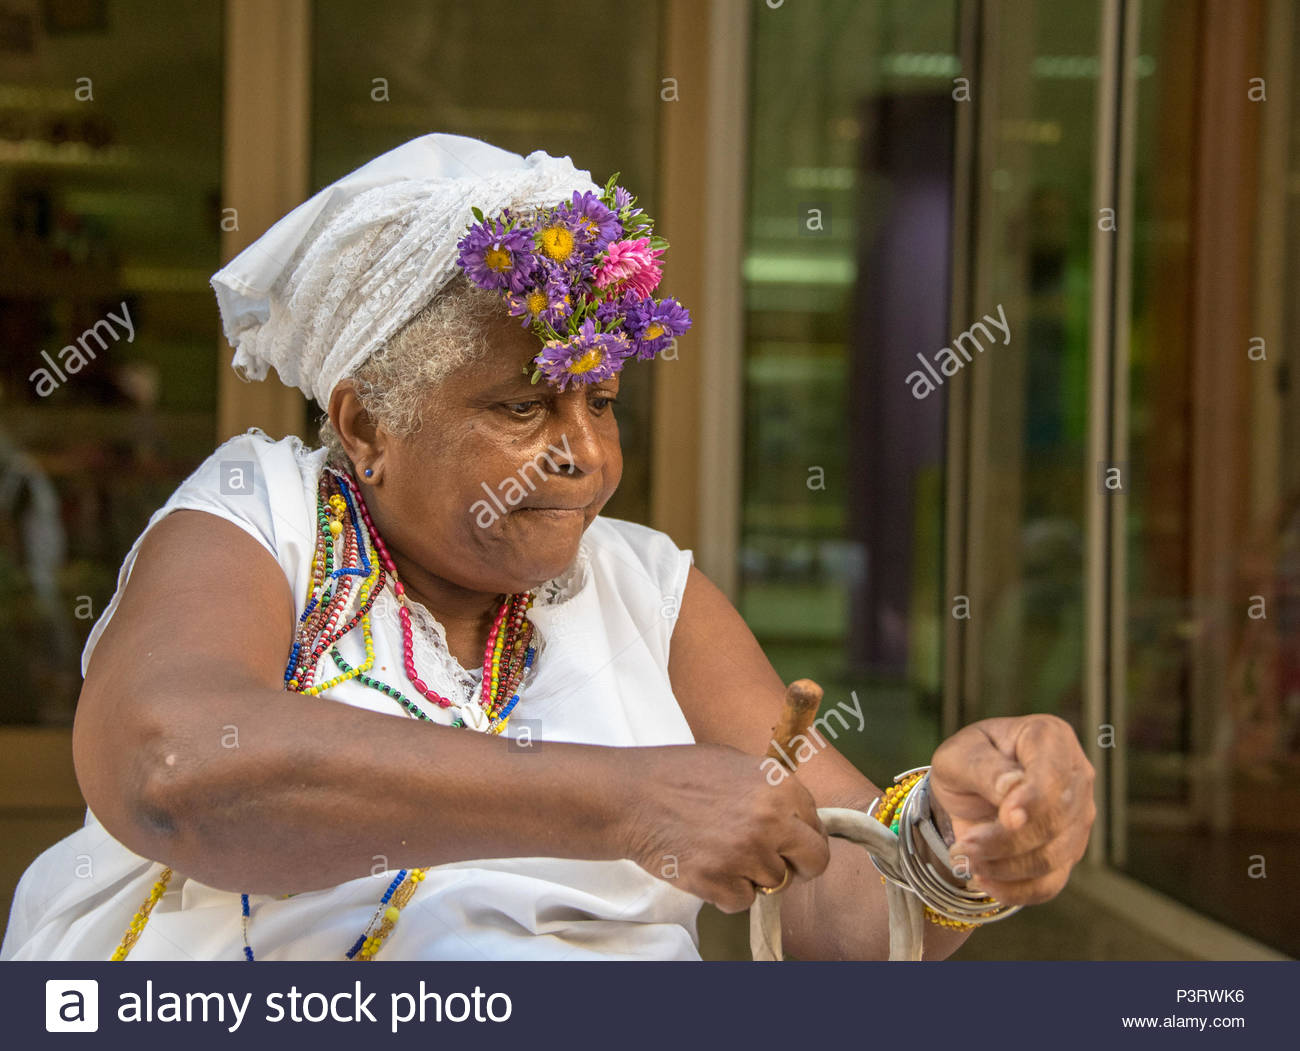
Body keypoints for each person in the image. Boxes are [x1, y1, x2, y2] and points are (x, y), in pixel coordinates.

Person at [0, 133, 1094, 961]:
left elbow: (847, 906)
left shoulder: (644, 588)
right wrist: (620, 799)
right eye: (523, 407)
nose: (580, 457)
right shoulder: (266, 512)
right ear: (369, 425)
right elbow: (169, 766)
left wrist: (963, 842)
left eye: (603, 402)